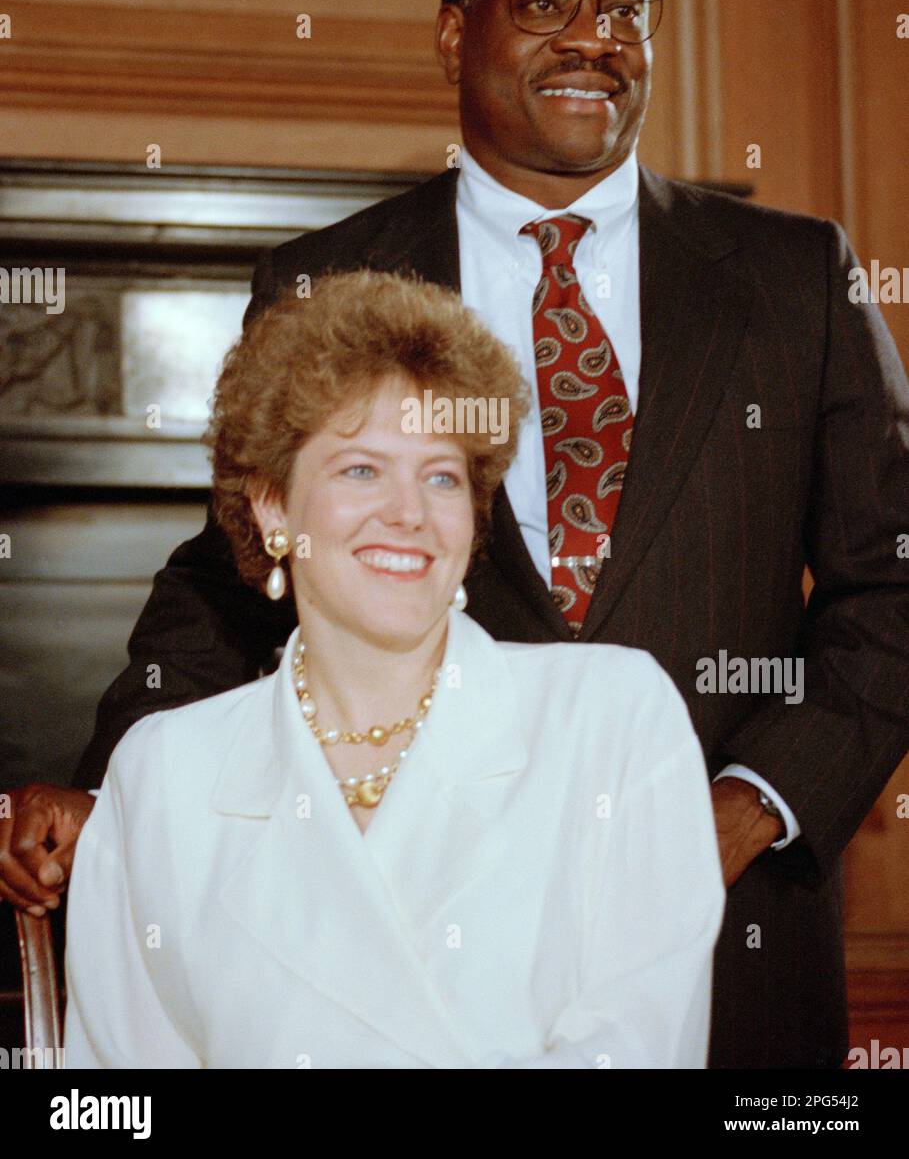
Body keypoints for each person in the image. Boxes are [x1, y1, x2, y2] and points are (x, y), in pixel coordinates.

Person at [2, 0, 908, 1070]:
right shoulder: (328, 277)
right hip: (421, 937)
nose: (595, 34)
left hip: (733, 936)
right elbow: (233, 574)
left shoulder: (797, 276)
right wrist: (107, 796)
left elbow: (890, 584)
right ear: (452, 32)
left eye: (625, 5)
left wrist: (742, 808)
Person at [62, 270, 724, 1069]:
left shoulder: (612, 718)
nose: (408, 512)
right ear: (273, 506)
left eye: (440, 476)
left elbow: (637, 1049)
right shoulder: (161, 771)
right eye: (360, 470)